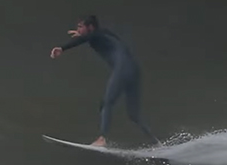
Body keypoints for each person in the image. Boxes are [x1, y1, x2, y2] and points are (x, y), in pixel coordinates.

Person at [49, 15, 161, 147]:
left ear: (90, 27)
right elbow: (88, 38)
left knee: (106, 103)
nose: (78, 29)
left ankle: (102, 139)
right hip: (134, 70)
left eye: (80, 27)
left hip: (122, 68)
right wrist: (82, 35)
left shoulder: (94, 35)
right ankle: (156, 142)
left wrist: (62, 48)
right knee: (133, 115)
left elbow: (86, 38)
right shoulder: (104, 33)